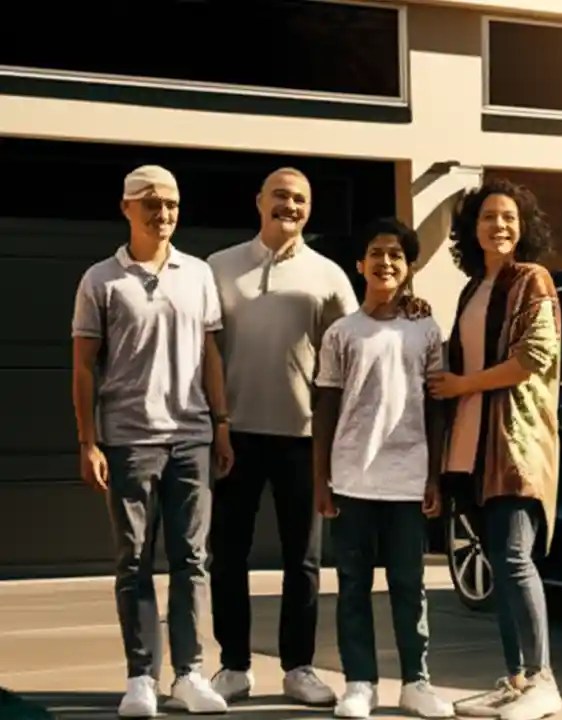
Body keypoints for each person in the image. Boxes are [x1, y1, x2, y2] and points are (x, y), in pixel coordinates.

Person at [70, 165, 233, 717]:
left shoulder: (199, 274)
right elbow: (84, 367)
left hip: (192, 438)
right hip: (128, 441)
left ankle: (188, 675)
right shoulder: (100, 279)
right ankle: (141, 676)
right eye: (151, 203)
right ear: (127, 208)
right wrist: (88, 441)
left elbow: (211, 354)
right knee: (134, 560)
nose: (163, 214)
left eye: (171, 205)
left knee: (192, 559)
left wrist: (222, 423)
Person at [205, 168, 354, 706]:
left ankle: (299, 668)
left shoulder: (330, 276)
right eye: (280, 196)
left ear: (308, 210)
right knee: (227, 554)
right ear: (258, 201)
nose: (289, 206)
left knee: (305, 561)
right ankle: (234, 666)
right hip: (233, 435)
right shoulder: (217, 268)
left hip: (303, 439)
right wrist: (215, 422)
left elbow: (351, 355)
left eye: (300, 200)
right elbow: (204, 352)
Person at [427, 178, 562, 720]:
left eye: (509, 217)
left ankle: (544, 680)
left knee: (513, 557)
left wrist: (463, 385)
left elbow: (534, 356)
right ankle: (515, 679)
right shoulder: (471, 290)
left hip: (514, 445)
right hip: (470, 449)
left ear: (523, 226)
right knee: (499, 567)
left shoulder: (533, 280)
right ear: (471, 229)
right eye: (488, 217)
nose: (499, 225)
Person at [313, 218, 453, 719]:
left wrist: (434, 475)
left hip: (408, 480)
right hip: (351, 479)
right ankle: (359, 683)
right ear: (360, 264)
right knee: (352, 585)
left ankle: (416, 682)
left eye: (396, 254)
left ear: (409, 267)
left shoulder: (426, 328)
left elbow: (438, 408)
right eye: (376, 253)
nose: (386, 262)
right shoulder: (340, 333)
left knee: (409, 586)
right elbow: (325, 409)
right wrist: (321, 482)